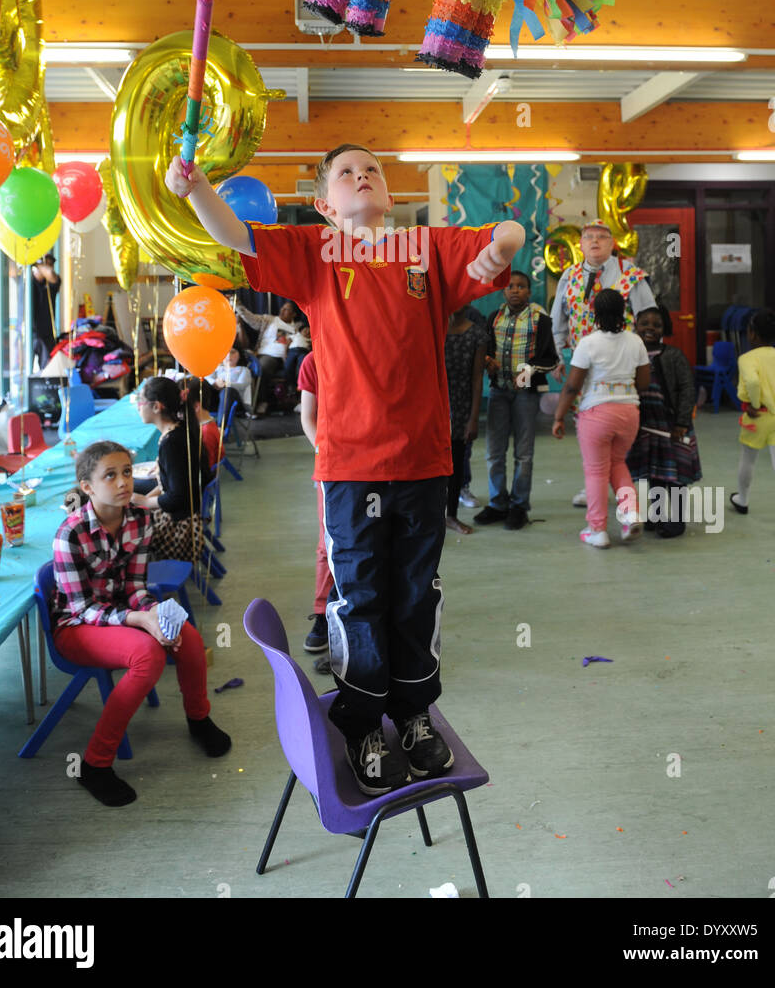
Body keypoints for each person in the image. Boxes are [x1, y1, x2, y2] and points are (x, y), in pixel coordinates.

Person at [165, 143, 523, 794]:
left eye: (373, 170)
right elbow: (233, 230)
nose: (362, 175)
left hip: (422, 463)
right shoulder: (313, 256)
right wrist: (194, 189)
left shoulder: (424, 249)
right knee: (358, 599)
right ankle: (361, 721)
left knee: (417, 596)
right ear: (326, 207)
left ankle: (412, 713)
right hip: (351, 468)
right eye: (345, 172)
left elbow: (497, 245)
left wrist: (501, 244)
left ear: (389, 195)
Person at [51, 440, 231, 807]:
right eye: (110, 475)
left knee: (188, 638)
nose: (124, 482)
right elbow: (82, 608)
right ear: (87, 487)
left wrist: (153, 614)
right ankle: (95, 764)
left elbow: (135, 584)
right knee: (147, 654)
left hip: (121, 613)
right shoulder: (70, 534)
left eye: (128, 472)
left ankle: (199, 719)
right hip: (76, 626)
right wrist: (140, 620)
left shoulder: (140, 518)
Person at [551, 222, 656, 507]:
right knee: (587, 428)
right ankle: (595, 483)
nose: (595, 241)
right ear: (581, 245)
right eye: (589, 237)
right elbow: (558, 321)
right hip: (582, 364)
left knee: (621, 434)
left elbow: (649, 319)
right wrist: (560, 356)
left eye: (602, 237)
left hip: (622, 365)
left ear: (612, 244)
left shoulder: (631, 275)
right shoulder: (569, 276)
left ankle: (619, 483)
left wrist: (646, 358)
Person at [552, 289, 650, 548]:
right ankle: (630, 515)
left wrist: (558, 417)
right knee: (618, 464)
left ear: (594, 314)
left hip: (596, 413)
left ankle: (598, 530)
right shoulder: (636, 342)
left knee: (596, 471)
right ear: (624, 312)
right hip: (629, 413)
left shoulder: (588, 343)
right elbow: (644, 381)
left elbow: (572, 386)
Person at [474, 270, 559, 531]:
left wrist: (530, 369)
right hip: (499, 392)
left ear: (529, 292)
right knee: (494, 452)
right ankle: (498, 503)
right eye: (510, 286)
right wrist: (488, 360)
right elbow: (485, 351)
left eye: (521, 286)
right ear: (503, 291)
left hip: (526, 396)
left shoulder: (540, 321)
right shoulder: (494, 318)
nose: (515, 290)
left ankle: (519, 505)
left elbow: (551, 358)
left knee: (524, 453)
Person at [627, 305, 700, 539]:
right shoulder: (631, 354)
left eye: (656, 325)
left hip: (672, 424)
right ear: (635, 326)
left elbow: (688, 389)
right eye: (644, 323)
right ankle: (658, 515)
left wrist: (681, 421)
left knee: (675, 475)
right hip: (646, 424)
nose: (650, 328)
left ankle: (677, 522)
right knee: (655, 471)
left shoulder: (674, 356)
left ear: (664, 329)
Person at [729, 309, 775, 535]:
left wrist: (755, 401)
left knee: (748, 459)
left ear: (752, 334)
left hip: (756, 417)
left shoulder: (746, 358)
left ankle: (742, 499)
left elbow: (751, 381)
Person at [130, 376, 210, 526]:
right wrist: (145, 499)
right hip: (187, 509)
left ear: (156, 407)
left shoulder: (171, 443)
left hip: (179, 525)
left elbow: (177, 497)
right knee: (132, 488)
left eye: (141, 402)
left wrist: (145, 501)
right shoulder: (180, 428)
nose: (138, 407)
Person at [298, 351, 332, 675]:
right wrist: (325, 453)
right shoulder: (313, 362)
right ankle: (323, 614)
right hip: (333, 467)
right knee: (328, 545)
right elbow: (308, 417)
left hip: (375, 466)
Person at [444, 307, 487, 535]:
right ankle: (431, 517)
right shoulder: (434, 330)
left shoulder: (477, 335)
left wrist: (474, 418)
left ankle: (451, 515)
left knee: (456, 463)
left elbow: (477, 378)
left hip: (460, 407)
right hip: (433, 405)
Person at [236, 299, 301, 415]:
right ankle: (254, 404)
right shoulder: (269, 320)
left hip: (282, 358)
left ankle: (264, 402)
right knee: (255, 367)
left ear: (294, 314)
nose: (282, 310)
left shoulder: (297, 328)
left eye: (287, 310)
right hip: (263, 354)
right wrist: (238, 306)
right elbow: (251, 318)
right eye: (282, 308)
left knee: (263, 367)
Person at [181, 376, 222, 472]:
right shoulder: (207, 424)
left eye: (182, 406)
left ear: (196, 406)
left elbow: (204, 468)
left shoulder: (205, 433)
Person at [31, 253, 61, 370]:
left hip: (46, 335)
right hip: (29, 335)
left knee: (48, 370)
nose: (49, 268)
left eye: (51, 265)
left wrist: (36, 264)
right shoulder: (29, 281)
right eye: (46, 264)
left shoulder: (51, 285)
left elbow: (52, 275)